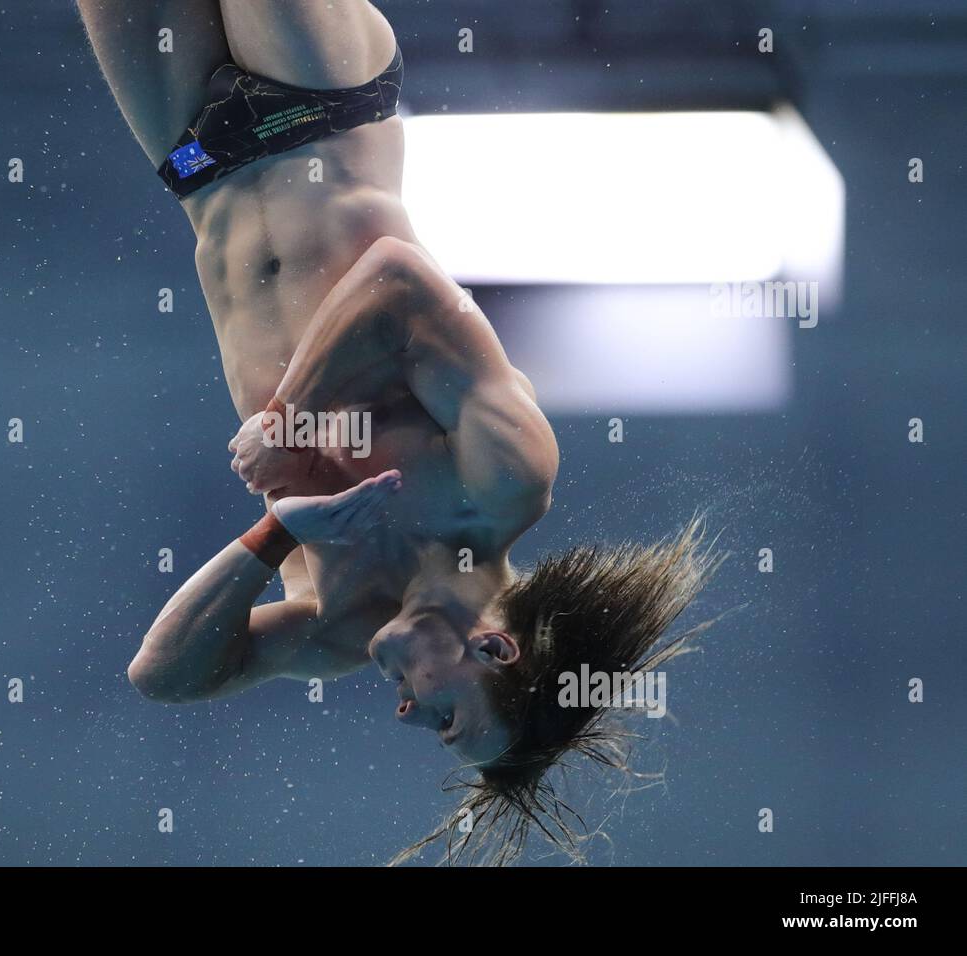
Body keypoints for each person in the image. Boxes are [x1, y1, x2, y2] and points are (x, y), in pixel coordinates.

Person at [77, 0, 720, 864]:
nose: (405, 713)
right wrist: (292, 415)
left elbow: (163, 678)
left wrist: (273, 536)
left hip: (202, 160)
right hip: (321, 101)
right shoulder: (505, 482)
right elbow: (397, 275)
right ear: (493, 648)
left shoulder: (335, 624)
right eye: (446, 717)